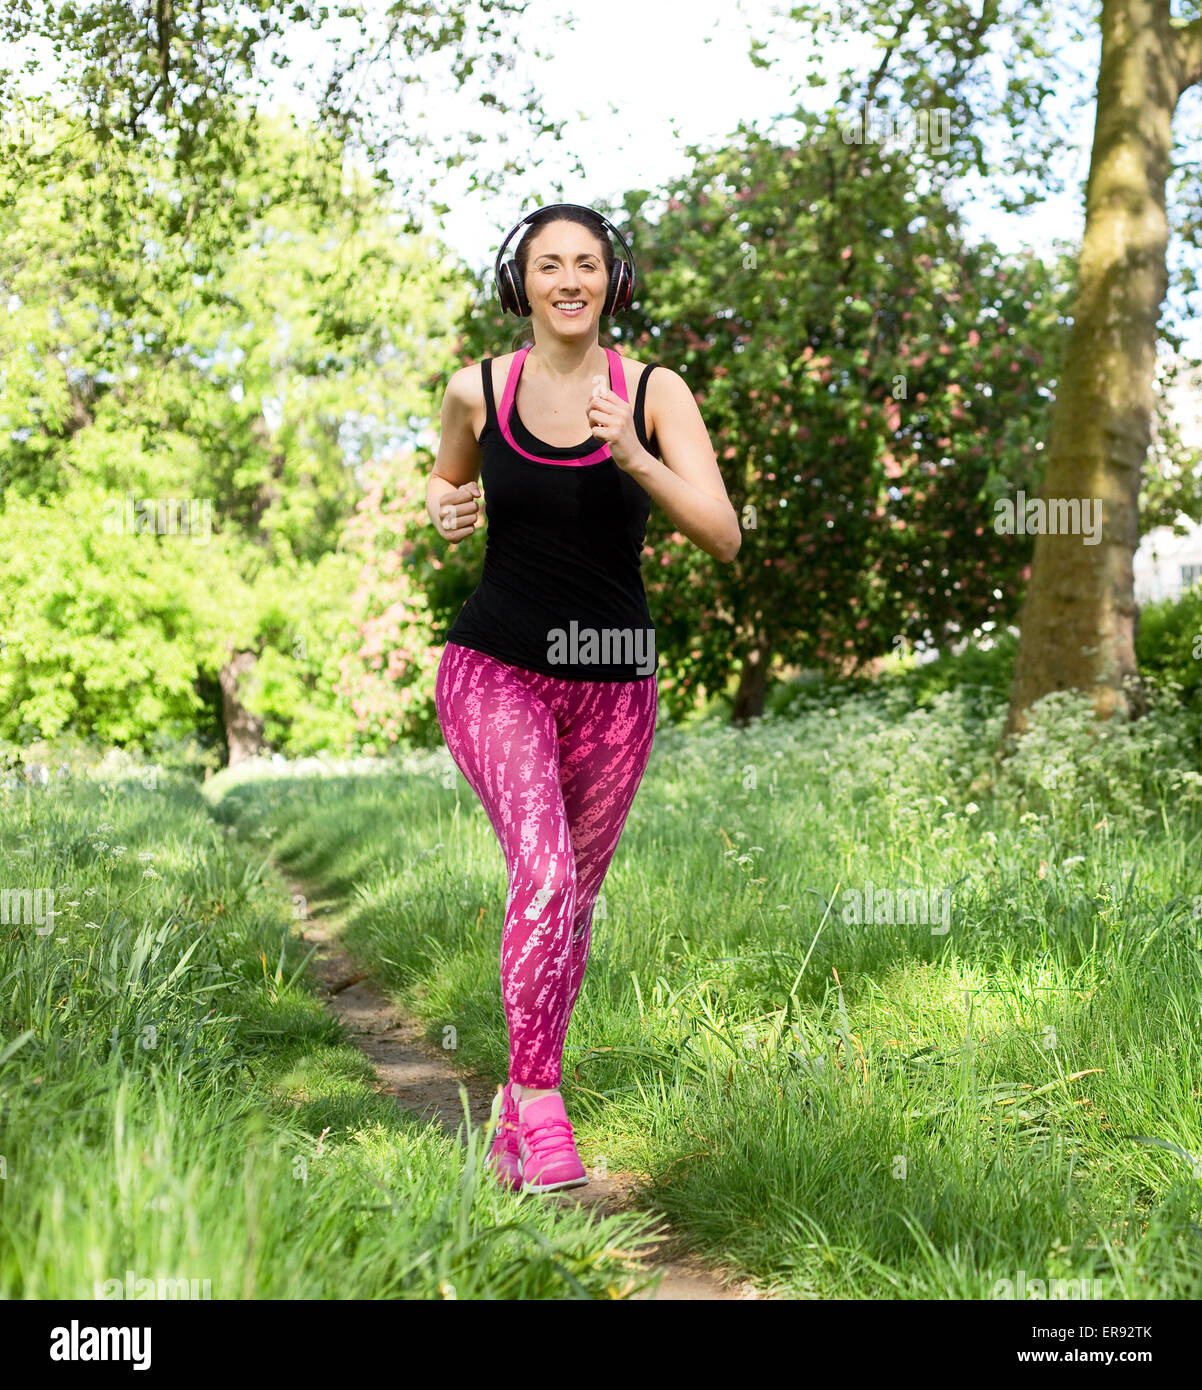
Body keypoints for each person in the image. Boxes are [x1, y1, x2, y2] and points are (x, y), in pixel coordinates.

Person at [426, 202, 740, 1194]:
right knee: (546, 873)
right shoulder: (475, 390)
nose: (568, 280)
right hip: (496, 666)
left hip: (613, 682)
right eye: (547, 265)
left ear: (613, 281)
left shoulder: (652, 391)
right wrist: (443, 505)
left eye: (587, 265)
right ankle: (539, 1105)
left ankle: (516, 1129)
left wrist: (636, 458)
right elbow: (447, 482)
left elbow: (722, 535)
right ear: (520, 282)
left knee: (572, 900)